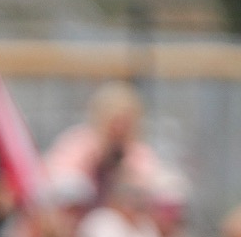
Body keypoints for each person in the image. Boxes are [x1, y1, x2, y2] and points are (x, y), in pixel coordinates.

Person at [41, 81, 178, 209]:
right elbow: (58, 182)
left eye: (126, 121)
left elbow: (150, 184)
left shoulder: (137, 153)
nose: (120, 128)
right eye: (115, 120)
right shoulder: (79, 144)